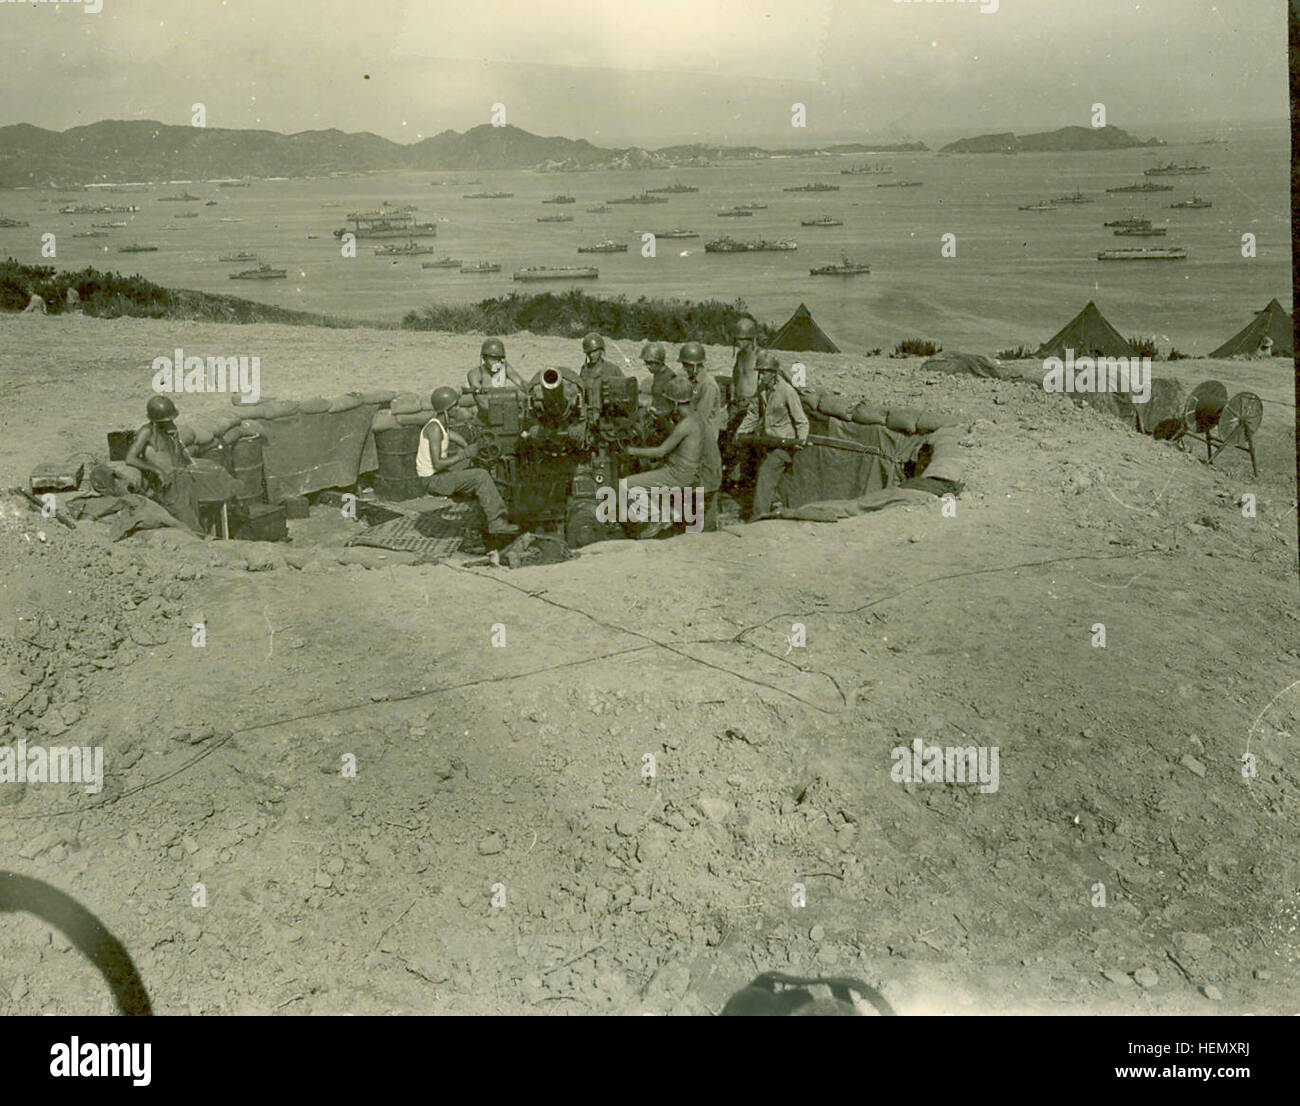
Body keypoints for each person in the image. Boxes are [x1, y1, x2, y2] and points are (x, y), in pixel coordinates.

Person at [416, 387, 520, 535]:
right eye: (455, 407)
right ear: (446, 410)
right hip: (433, 480)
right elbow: (437, 463)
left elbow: (455, 437)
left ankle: (483, 512)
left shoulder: (440, 425)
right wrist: (465, 453)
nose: (458, 409)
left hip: (438, 475)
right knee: (481, 476)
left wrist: (473, 448)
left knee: (475, 465)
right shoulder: (434, 429)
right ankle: (497, 522)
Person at [123, 395, 235, 533]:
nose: (169, 422)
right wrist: (157, 470)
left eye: (171, 419)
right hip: (167, 485)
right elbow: (130, 458)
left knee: (197, 509)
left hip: (181, 479)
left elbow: (178, 456)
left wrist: (175, 438)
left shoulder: (169, 429)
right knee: (188, 523)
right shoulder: (147, 432)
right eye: (166, 420)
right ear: (156, 420)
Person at [624, 376, 703, 536]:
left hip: (678, 474)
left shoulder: (685, 424)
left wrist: (630, 451)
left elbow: (661, 451)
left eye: (668, 402)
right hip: (683, 470)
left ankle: (657, 517)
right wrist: (661, 420)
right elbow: (677, 435)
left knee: (624, 485)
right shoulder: (693, 418)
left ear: (674, 403)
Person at [734, 351, 809, 520]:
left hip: (784, 445)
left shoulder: (787, 391)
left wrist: (800, 440)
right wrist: (741, 431)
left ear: (774, 373)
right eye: (760, 372)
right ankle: (775, 506)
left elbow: (801, 420)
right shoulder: (762, 390)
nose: (761, 376)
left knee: (766, 475)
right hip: (768, 442)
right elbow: (753, 413)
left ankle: (757, 516)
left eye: (765, 372)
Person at [679, 341, 722, 531]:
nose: (684, 368)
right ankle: (692, 523)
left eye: (687, 365)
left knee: (706, 482)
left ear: (696, 365)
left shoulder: (708, 385)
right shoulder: (693, 382)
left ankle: (709, 525)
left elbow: (701, 419)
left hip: (706, 440)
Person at [466, 337, 527, 417]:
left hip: (505, 412)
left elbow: (521, 383)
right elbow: (483, 403)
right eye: (491, 358)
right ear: (484, 358)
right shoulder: (474, 374)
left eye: (497, 359)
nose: (495, 362)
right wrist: (509, 410)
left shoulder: (504, 367)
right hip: (486, 418)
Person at [578, 333, 625, 410]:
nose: (591, 355)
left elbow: (624, 391)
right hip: (589, 413)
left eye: (594, 351)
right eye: (589, 353)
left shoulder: (612, 369)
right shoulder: (584, 371)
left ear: (601, 350)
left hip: (607, 415)